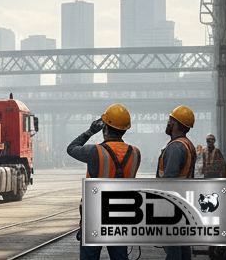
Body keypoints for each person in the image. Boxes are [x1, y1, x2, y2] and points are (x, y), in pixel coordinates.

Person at [67, 103, 141, 260]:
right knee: (120, 257)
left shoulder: (95, 151)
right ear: (125, 129)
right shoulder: (136, 153)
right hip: (121, 215)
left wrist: (90, 131)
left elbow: (72, 148)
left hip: (96, 215)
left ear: (105, 129)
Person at [157, 105, 196, 260]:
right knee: (182, 247)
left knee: (173, 249)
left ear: (175, 123)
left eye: (170, 120)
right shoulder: (188, 144)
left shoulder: (176, 147)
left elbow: (169, 180)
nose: (168, 123)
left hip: (173, 207)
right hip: (184, 202)